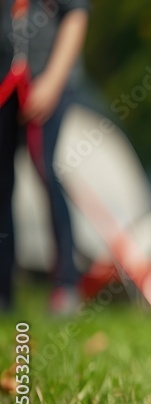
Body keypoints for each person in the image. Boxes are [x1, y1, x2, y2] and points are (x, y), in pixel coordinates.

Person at [0, 0, 89, 314]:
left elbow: (76, 16)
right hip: (3, 83)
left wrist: (52, 81)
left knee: (47, 174)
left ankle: (66, 284)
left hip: (49, 79)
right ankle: (3, 292)